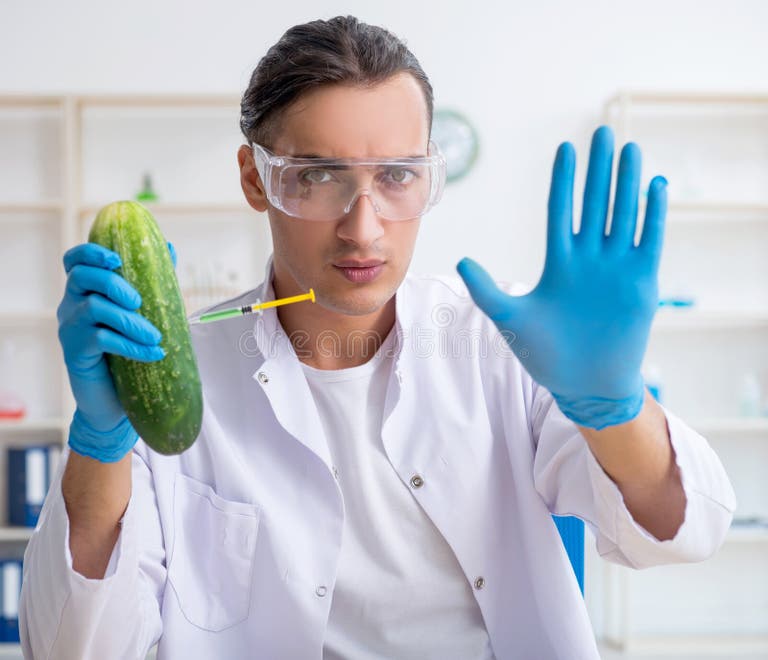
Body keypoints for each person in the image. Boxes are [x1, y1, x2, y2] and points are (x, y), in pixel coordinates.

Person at [20, 15, 735, 660]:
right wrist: (99, 442)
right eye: (319, 176)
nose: (364, 228)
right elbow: (76, 650)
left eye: (397, 176)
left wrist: (613, 405)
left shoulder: (501, 342)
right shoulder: (170, 372)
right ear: (254, 178)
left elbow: (684, 529)